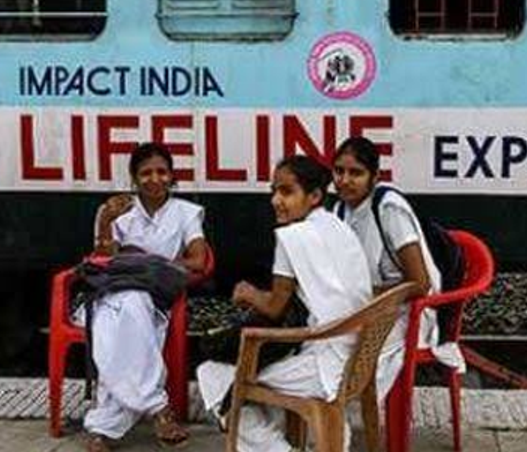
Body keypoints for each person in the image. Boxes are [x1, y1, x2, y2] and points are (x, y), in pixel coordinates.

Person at [196, 155, 372, 452]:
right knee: (254, 377)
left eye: (287, 192)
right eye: (274, 191)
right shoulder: (338, 226)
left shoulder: (292, 236)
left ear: (314, 195)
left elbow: (275, 306)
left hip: (325, 367)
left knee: (213, 374)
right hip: (358, 357)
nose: (277, 200)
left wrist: (248, 292)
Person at [83, 142, 211, 451]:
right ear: (134, 178)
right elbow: (103, 259)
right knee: (113, 329)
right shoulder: (117, 210)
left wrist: (150, 264)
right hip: (110, 294)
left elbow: (197, 259)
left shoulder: (186, 213)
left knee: (130, 313)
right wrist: (105, 222)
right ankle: (158, 409)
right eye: (146, 173)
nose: (154, 179)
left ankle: (103, 428)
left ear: (172, 176)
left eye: (162, 172)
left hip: (154, 297)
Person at [331, 137, 464, 402]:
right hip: (369, 307)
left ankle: (341, 421)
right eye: (339, 171)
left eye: (355, 173)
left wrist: (368, 294)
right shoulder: (340, 210)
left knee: (351, 356)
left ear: (374, 176)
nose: (345, 180)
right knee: (319, 343)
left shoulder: (388, 208)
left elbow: (420, 283)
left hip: (411, 310)